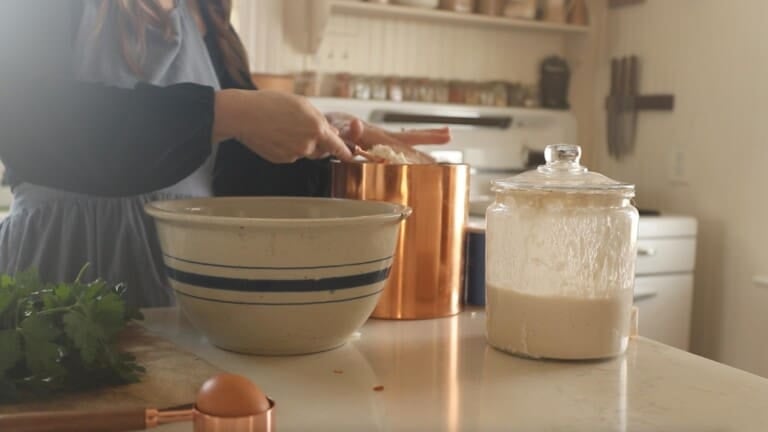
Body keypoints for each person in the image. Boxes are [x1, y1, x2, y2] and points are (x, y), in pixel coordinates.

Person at [0, 0, 449, 307]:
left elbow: (231, 171)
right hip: (62, 266)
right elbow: (25, 123)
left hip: (184, 281)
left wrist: (321, 139)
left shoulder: (206, 11)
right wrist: (224, 112)